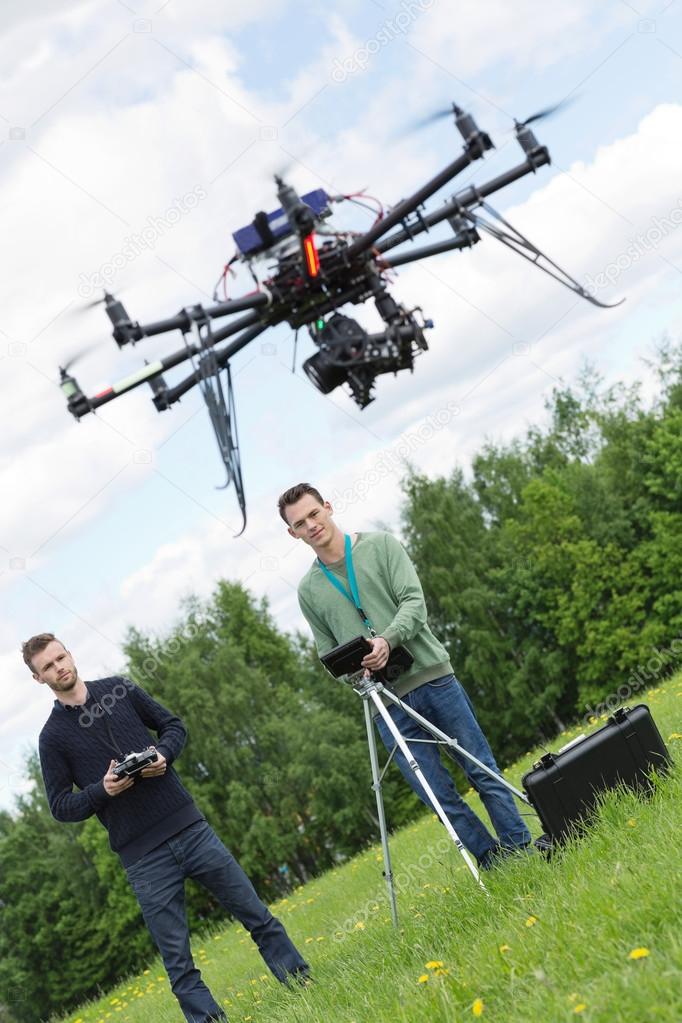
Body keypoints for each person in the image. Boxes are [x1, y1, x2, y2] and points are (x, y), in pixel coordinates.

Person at [24, 633, 308, 1023]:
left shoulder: (119, 689)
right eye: (48, 667)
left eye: (61, 657)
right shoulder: (51, 738)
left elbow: (173, 726)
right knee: (178, 962)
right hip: (142, 857)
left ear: (70, 652)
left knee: (256, 914)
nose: (59, 667)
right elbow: (60, 806)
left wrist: (164, 754)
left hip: (189, 827)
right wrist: (102, 790)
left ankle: (302, 985)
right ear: (39, 679)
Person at [278, 483, 532, 870]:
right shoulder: (309, 591)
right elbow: (326, 655)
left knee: (480, 769)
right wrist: (353, 672)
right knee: (436, 795)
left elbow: (414, 602)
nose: (311, 525)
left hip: (433, 678)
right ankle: (495, 863)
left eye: (314, 514)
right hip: (385, 704)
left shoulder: (380, 546)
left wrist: (387, 640)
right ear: (292, 533)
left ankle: (522, 851)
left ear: (328, 507)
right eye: (300, 523)